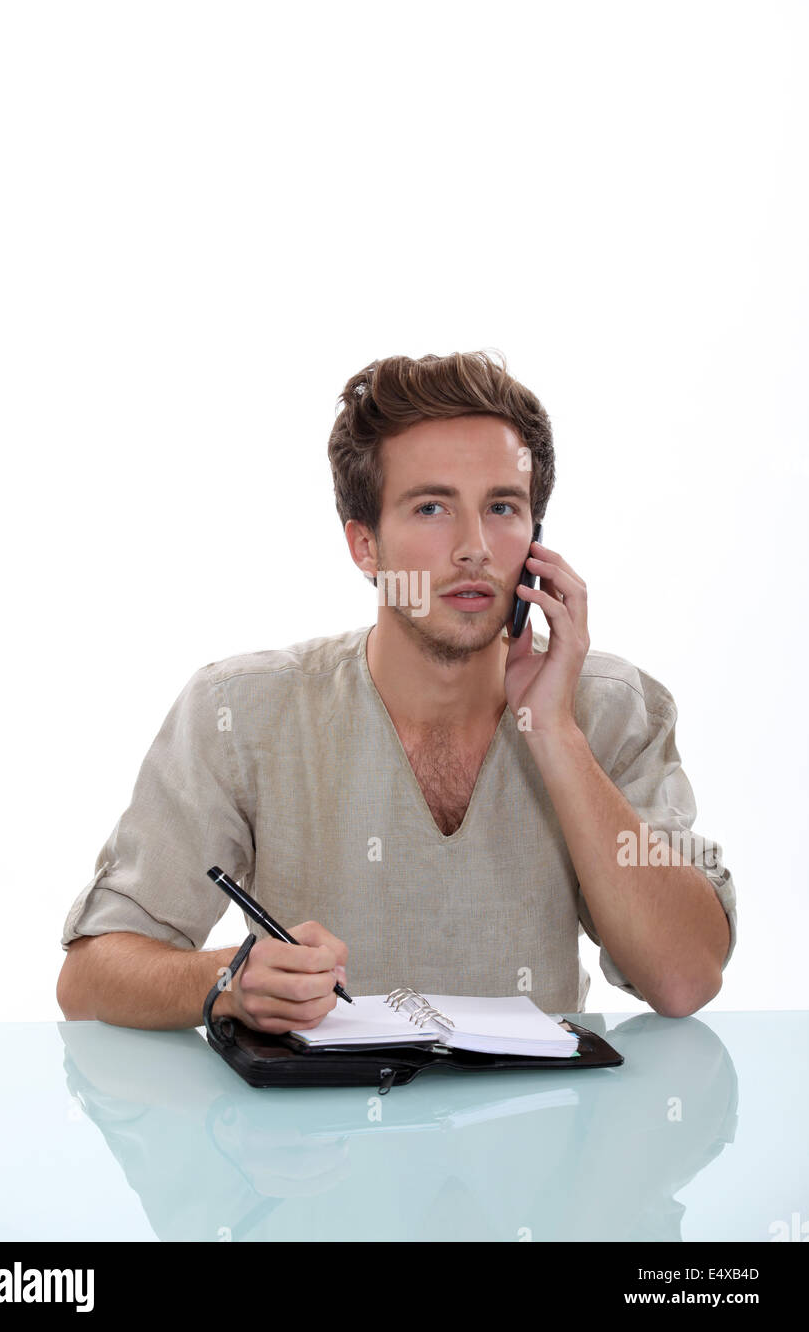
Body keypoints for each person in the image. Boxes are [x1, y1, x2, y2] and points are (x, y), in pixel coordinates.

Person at [57, 350, 736, 1032]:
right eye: (432, 507)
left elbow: (685, 977)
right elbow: (88, 980)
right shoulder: (241, 712)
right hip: (320, 1134)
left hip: (538, 1128)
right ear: (365, 546)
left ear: (536, 538)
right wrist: (226, 980)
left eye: (502, 507)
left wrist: (555, 733)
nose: (474, 547)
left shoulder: (612, 708)